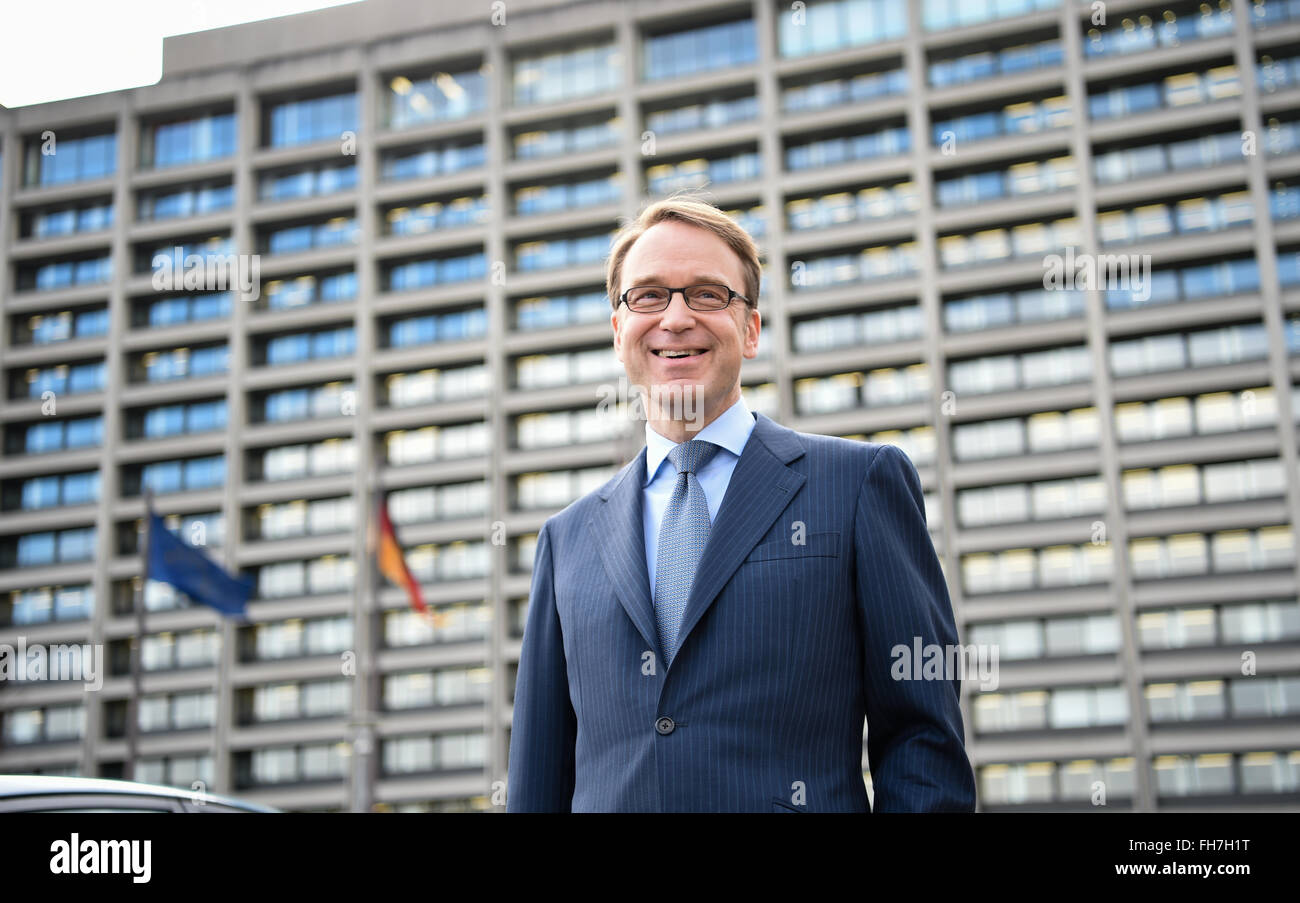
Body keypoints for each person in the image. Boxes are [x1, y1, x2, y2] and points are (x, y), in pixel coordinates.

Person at [507, 196, 976, 812]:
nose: (675, 318)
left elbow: (923, 741)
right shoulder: (565, 540)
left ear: (750, 329)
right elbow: (537, 783)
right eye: (647, 296)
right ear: (619, 331)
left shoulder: (860, 484)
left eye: (706, 294)